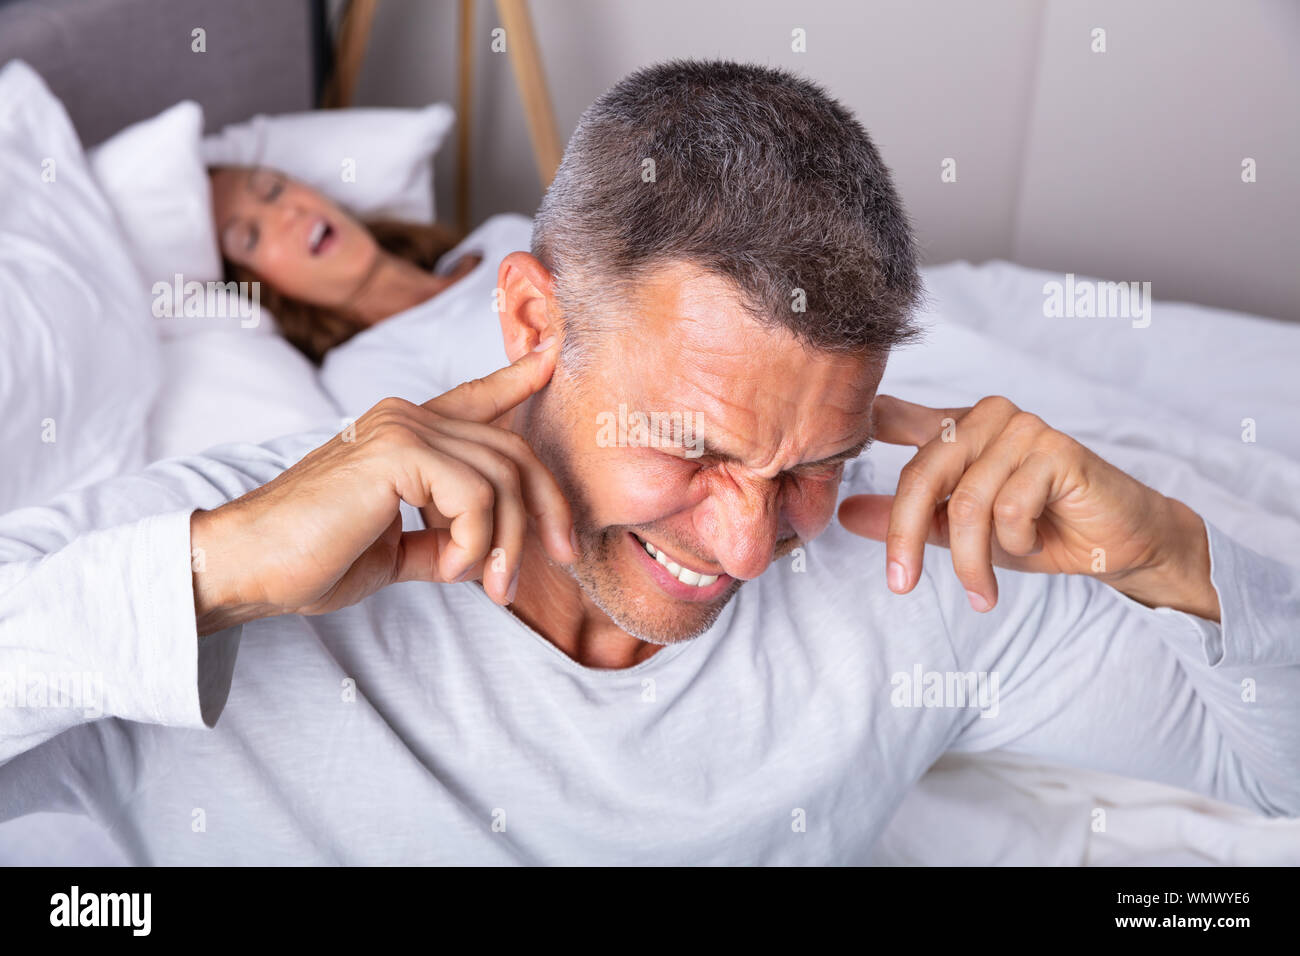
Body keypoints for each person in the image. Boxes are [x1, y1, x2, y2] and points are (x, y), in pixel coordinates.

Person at [1, 60, 1297, 865]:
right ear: (528, 326)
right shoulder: (224, 546)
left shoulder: (909, 571)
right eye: (691, 447)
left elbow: (1272, 778)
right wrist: (215, 574)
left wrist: (1176, 560)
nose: (745, 549)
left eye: (811, 461)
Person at [209, 165, 482, 363]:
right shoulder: (366, 369)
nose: (289, 212)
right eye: (250, 237)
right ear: (260, 289)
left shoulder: (494, 236)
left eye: (273, 189)